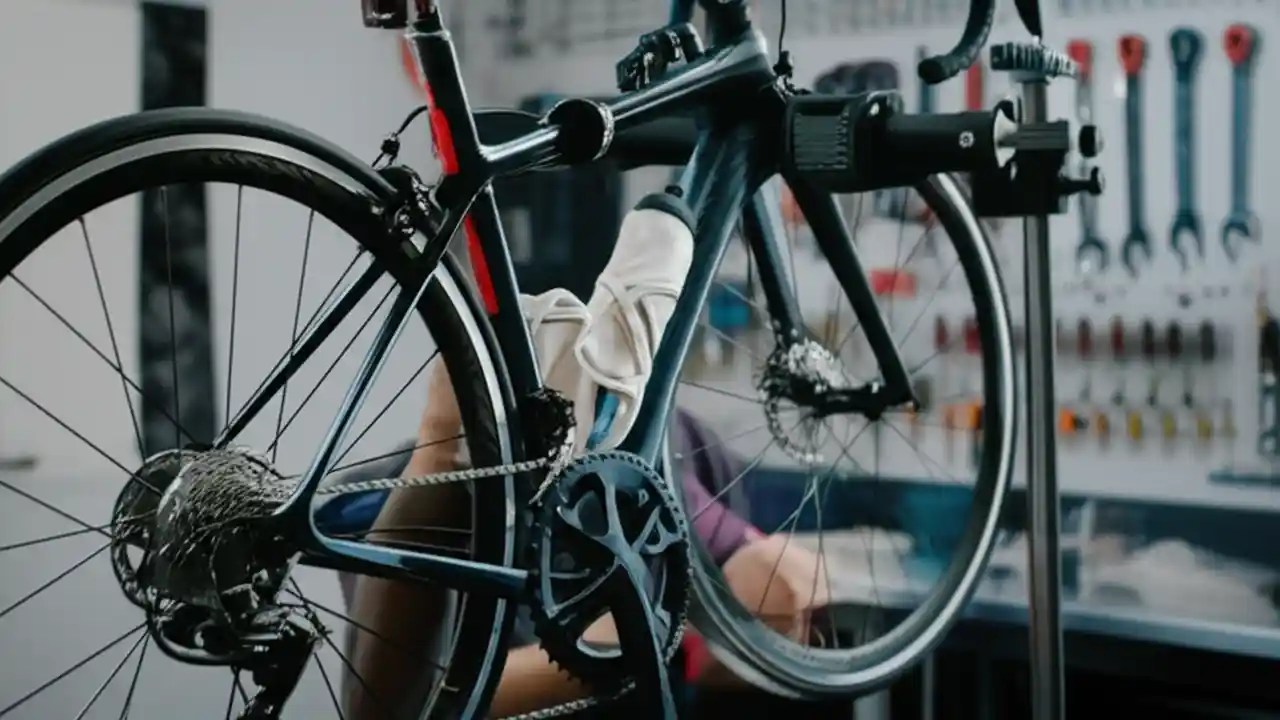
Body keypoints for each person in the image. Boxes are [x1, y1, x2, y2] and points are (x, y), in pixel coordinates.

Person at [339, 191, 829, 718]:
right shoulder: (385, 494)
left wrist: (743, 600)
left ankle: (570, 403)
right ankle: (464, 439)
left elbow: (776, 575)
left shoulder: (671, 444)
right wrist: (649, 640)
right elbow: (418, 705)